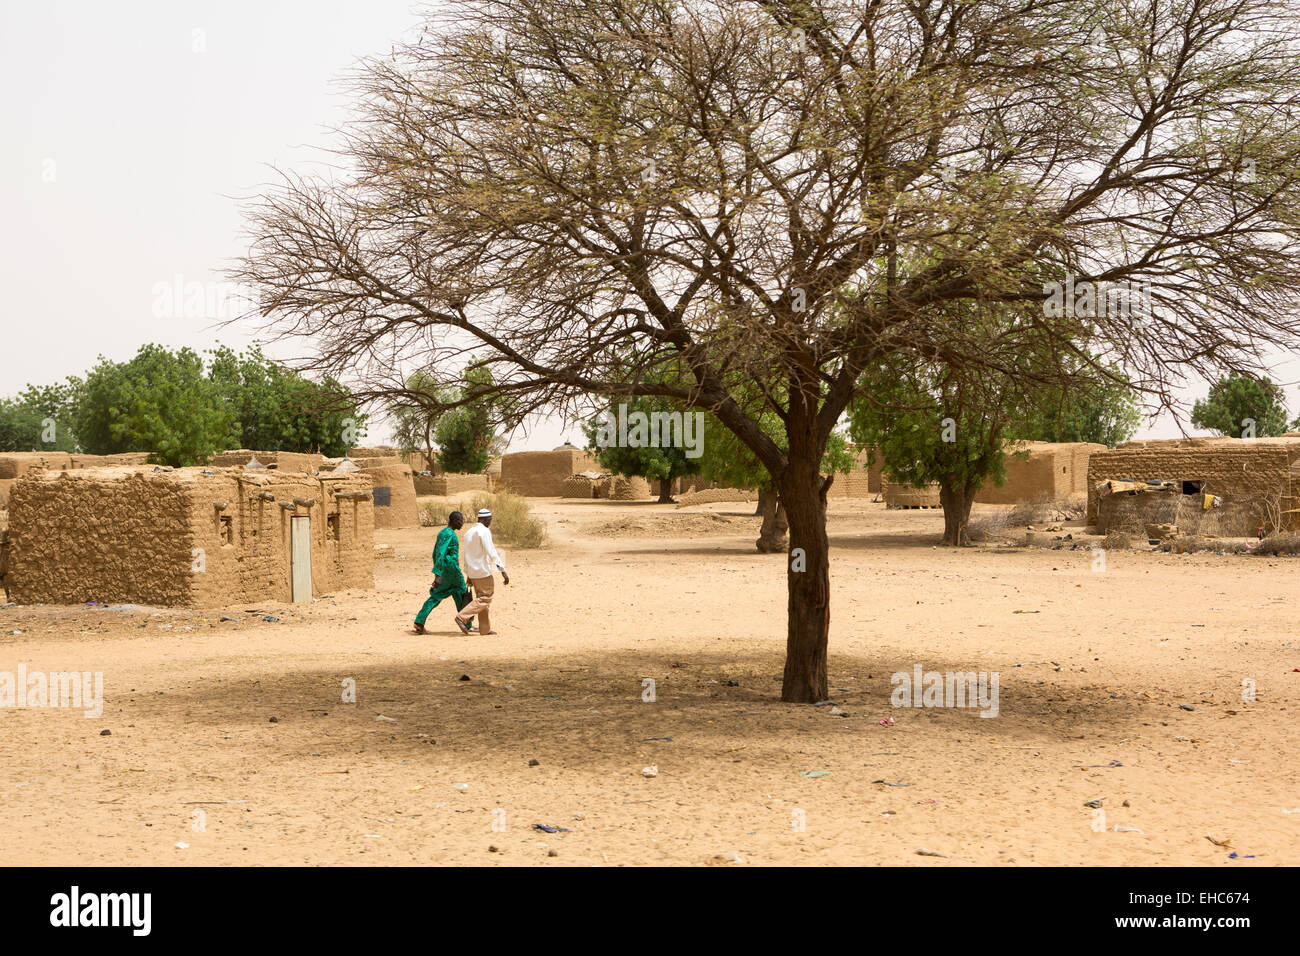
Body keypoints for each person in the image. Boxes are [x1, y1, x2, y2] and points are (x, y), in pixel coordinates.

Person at [412, 511, 471, 634]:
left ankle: (419, 621)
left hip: (446, 570)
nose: (462, 524)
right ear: (453, 521)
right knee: (461, 592)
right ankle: (466, 622)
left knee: (445, 594)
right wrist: (438, 574)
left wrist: (439, 572)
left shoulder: (443, 532)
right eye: (460, 521)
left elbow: (435, 553)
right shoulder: (449, 534)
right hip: (451, 571)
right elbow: (440, 553)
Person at [454, 508, 510, 635]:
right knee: (486, 598)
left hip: (473, 572)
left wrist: (468, 574)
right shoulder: (484, 531)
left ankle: (485, 629)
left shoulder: (469, 532)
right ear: (485, 519)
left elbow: (466, 555)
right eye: (489, 520)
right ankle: (462, 617)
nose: (490, 523)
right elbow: (492, 552)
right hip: (483, 572)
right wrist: (502, 570)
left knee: (481, 600)